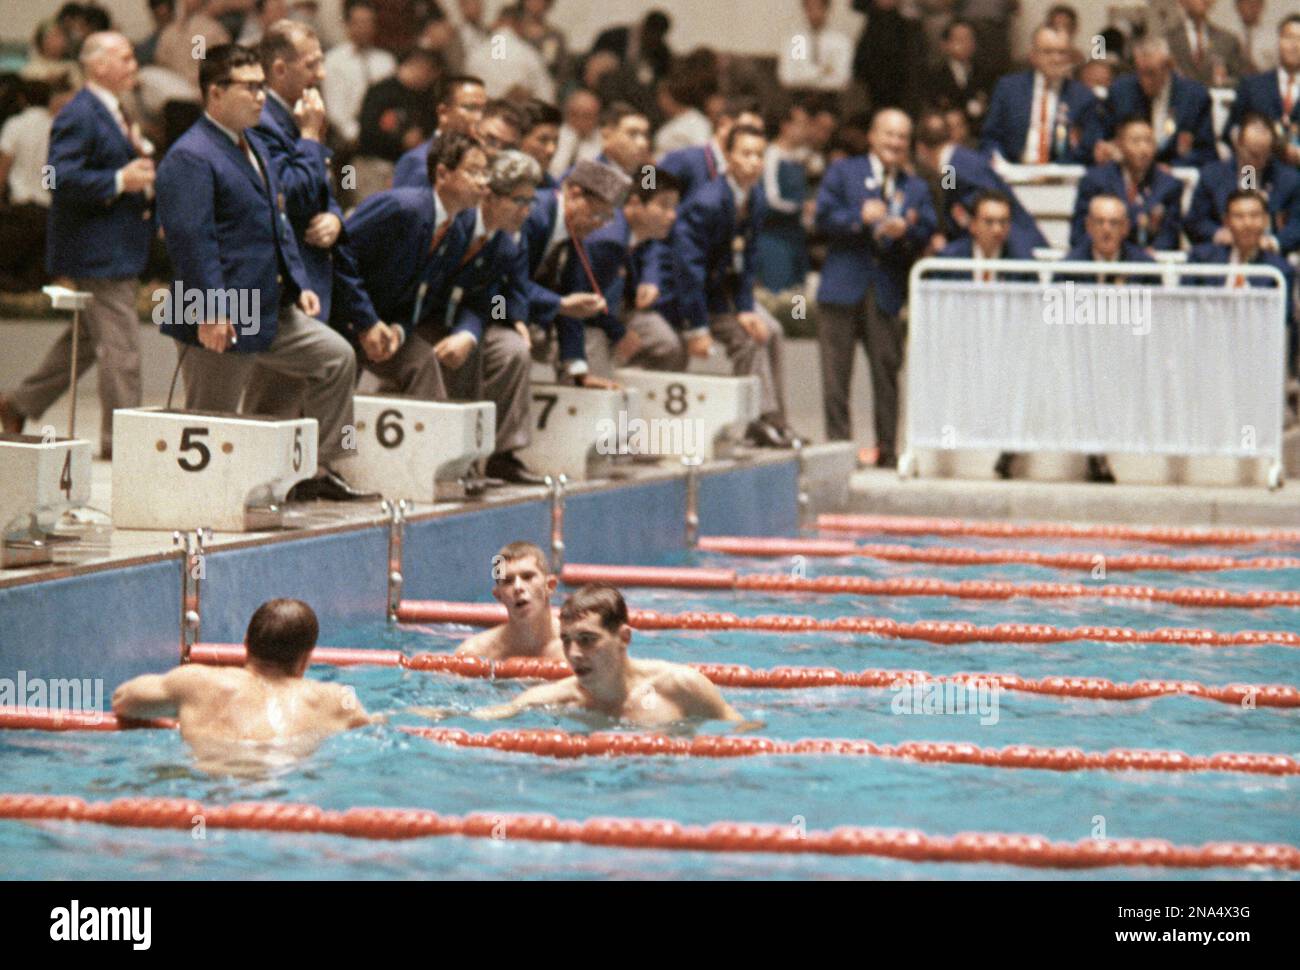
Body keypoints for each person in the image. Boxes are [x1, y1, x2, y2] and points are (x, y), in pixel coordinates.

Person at [154, 43, 374, 502]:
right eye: (250, 87)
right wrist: (211, 310)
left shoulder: (252, 142)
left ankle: (316, 469)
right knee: (212, 417)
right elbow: (192, 241)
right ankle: (201, 505)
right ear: (215, 92)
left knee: (336, 357)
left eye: (261, 86)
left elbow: (275, 222)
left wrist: (299, 284)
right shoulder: (190, 155)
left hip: (270, 300)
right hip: (223, 305)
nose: (260, 96)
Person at [0, 33, 154, 458]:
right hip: (98, 252)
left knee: (85, 342)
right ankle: (123, 445)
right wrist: (121, 180)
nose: (132, 63)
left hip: (112, 245)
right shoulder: (82, 112)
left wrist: (132, 173)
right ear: (97, 65)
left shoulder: (114, 109)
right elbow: (60, 177)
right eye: (124, 57)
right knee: (121, 351)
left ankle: (19, 404)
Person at [112, 599, 375, 774]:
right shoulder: (338, 700)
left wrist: (178, 708)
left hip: (214, 790)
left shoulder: (198, 682)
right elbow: (374, 731)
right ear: (307, 656)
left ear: (246, 643)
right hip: (289, 795)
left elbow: (123, 700)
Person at [814, 107, 936, 465]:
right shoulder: (843, 171)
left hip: (886, 289)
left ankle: (887, 451)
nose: (895, 143)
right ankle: (838, 452)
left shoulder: (915, 186)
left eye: (902, 137)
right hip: (841, 286)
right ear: (872, 136)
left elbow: (928, 226)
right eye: (889, 134)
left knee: (887, 374)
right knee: (835, 376)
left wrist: (907, 232)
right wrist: (858, 220)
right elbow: (822, 218)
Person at [674, 124, 799, 449]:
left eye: (759, 155)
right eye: (745, 153)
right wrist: (697, 328)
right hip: (693, 298)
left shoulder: (755, 197)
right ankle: (758, 420)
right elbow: (689, 269)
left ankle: (776, 419)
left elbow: (749, 257)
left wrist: (745, 308)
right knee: (749, 339)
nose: (754, 162)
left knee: (771, 329)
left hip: (724, 294)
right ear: (728, 157)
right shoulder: (708, 201)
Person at [470, 585, 746, 727]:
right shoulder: (560, 699)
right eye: (566, 641)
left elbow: (743, 734)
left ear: (623, 638)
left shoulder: (682, 687)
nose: (574, 654)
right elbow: (480, 718)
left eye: (587, 640)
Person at [1063, 193, 1158, 483]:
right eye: (1100, 222)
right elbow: (1056, 320)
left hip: (1132, 355)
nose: (1107, 230)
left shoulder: (1144, 268)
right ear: (1088, 226)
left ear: (1126, 228)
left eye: (1115, 223)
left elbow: (1160, 320)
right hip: (1081, 358)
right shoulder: (1069, 266)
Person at [514, 157, 630, 393]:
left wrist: (577, 368)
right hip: (496, 306)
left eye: (607, 219)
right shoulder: (533, 214)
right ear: (575, 194)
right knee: (515, 349)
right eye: (597, 215)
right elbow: (508, 281)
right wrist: (560, 304)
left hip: (525, 313)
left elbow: (572, 294)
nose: (599, 225)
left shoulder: (575, 235)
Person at [576, 168, 696, 376]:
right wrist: (619, 333)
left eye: (674, 207)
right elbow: (583, 301)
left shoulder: (639, 234)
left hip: (614, 310)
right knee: (595, 344)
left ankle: (633, 399)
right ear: (634, 204)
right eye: (664, 205)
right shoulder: (609, 241)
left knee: (665, 343)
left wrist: (650, 279)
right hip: (581, 319)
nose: (672, 215)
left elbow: (650, 251)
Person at [1188, 188, 1296, 379]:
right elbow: (1186, 309)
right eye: (1239, 216)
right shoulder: (1201, 259)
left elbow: (1283, 322)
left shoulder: (1279, 270)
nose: (1247, 223)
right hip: (1205, 351)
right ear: (1227, 221)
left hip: (1257, 357)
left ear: (1265, 221)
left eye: (1254, 216)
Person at [912, 107, 1046, 256]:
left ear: (921, 149)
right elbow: (954, 208)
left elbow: (979, 210)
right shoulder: (957, 161)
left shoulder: (953, 168)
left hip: (1016, 247)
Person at [981, 25, 1102, 165]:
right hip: (1012, 172)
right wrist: (998, 161)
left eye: (1062, 52)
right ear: (1033, 56)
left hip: (1061, 176)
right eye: (1048, 52)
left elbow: (1087, 148)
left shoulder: (1083, 97)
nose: (1056, 59)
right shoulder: (1008, 88)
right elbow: (990, 137)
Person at [1187, 111, 1300, 254]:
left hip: (1268, 256)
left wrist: (1274, 241)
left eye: (1264, 154)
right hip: (1223, 253)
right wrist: (1217, 233)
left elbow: (1297, 224)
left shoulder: (1289, 180)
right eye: (1253, 154)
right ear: (1238, 144)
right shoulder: (1212, 175)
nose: (1258, 161)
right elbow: (1195, 221)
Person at [1071, 117, 1184, 252]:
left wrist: (1152, 253)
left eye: (1149, 141)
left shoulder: (1168, 184)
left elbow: (1170, 235)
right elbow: (1079, 233)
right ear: (1119, 145)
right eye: (1136, 141)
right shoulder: (1096, 180)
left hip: (1150, 264)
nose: (1143, 149)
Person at [1103, 36, 1216, 168]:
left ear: (1169, 66)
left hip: (1175, 174)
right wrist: (1107, 150)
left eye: (1151, 73)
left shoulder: (1195, 96)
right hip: (1128, 169)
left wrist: (1173, 167)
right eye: (1140, 72)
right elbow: (1106, 138)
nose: (1144, 81)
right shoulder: (1120, 92)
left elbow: (1207, 153)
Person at [353, 46, 441, 200]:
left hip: (410, 167)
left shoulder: (427, 97)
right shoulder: (380, 91)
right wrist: (401, 140)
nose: (431, 81)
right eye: (430, 74)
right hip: (375, 165)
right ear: (419, 67)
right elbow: (367, 132)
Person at [456, 541, 564, 660]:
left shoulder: (578, 646)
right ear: (498, 596)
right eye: (508, 581)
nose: (518, 587)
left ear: (550, 586)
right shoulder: (475, 652)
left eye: (527, 577)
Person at [320, 0, 395, 150]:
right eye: (358, 22)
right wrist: (359, 138)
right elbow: (335, 111)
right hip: (346, 141)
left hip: (384, 138)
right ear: (347, 24)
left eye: (368, 22)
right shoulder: (333, 61)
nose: (364, 28)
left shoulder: (386, 61)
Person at [657, 96, 764, 200]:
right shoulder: (687, 159)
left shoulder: (749, 171)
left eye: (757, 132)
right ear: (724, 124)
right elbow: (647, 185)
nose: (753, 139)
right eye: (747, 130)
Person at [1226, 14, 1300, 165]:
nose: (1295, 45)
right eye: (1289, 37)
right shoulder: (1251, 85)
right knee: (1244, 181)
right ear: (1278, 41)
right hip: (1254, 168)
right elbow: (1231, 132)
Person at [390, 74, 487, 189]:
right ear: (443, 112)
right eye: (471, 108)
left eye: (483, 110)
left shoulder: (482, 160)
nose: (479, 117)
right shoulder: (417, 161)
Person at [756, 100, 813, 294]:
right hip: (774, 239)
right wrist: (800, 207)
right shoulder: (772, 155)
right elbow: (770, 199)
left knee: (799, 297)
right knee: (778, 297)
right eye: (802, 124)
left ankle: (799, 324)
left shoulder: (799, 158)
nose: (806, 129)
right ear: (786, 126)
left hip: (796, 238)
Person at [920, 18, 993, 135]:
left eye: (969, 39)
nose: (966, 43)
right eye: (959, 39)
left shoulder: (985, 73)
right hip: (946, 133)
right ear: (945, 45)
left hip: (978, 133)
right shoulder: (935, 74)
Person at [1166, 0, 1247, 88]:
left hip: (1216, 98)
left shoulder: (1228, 40)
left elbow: (1240, 82)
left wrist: (1224, 80)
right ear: (1182, 1)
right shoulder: (1168, 40)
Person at [778, 0, 853, 93]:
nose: (814, 13)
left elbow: (842, 79)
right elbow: (787, 77)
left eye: (819, 8)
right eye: (809, 8)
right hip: (798, 97)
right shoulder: (795, 41)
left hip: (831, 99)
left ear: (827, 9)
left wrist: (805, 75)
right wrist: (822, 72)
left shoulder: (840, 42)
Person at [154, 0, 232, 88]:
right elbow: (161, 68)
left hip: (201, 92)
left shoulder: (212, 30)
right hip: (172, 91)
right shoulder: (168, 34)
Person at [550, 87, 602, 178]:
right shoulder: (553, 135)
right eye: (575, 114)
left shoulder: (603, 141)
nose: (581, 121)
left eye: (588, 116)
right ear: (567, 114)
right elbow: (553, 171)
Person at [519, 97, 561, 188]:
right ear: (519, 139)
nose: (551, 150)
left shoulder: (554, 190)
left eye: (555, 141)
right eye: (543, 140)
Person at [1231, 0, 1276, 73]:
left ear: (1262, 6)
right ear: (1237, 6)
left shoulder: (1273, 37)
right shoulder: (1227, 34)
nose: (1251, 6)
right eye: (1246, 2)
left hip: (1263, 81)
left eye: (1255, 2)